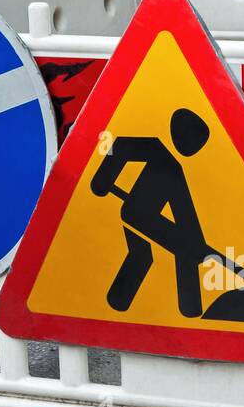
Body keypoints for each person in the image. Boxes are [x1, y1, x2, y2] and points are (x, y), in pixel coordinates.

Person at [90, 108, 212, 317]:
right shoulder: (157, 149)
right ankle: (190, 309)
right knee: (180, 251)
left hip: (138, 216)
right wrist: (101, 182)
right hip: (137, 214)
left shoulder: (175, 170)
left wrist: (197, 243)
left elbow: (185, 212)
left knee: (142, 255)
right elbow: (120, 147)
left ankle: (118, 302)